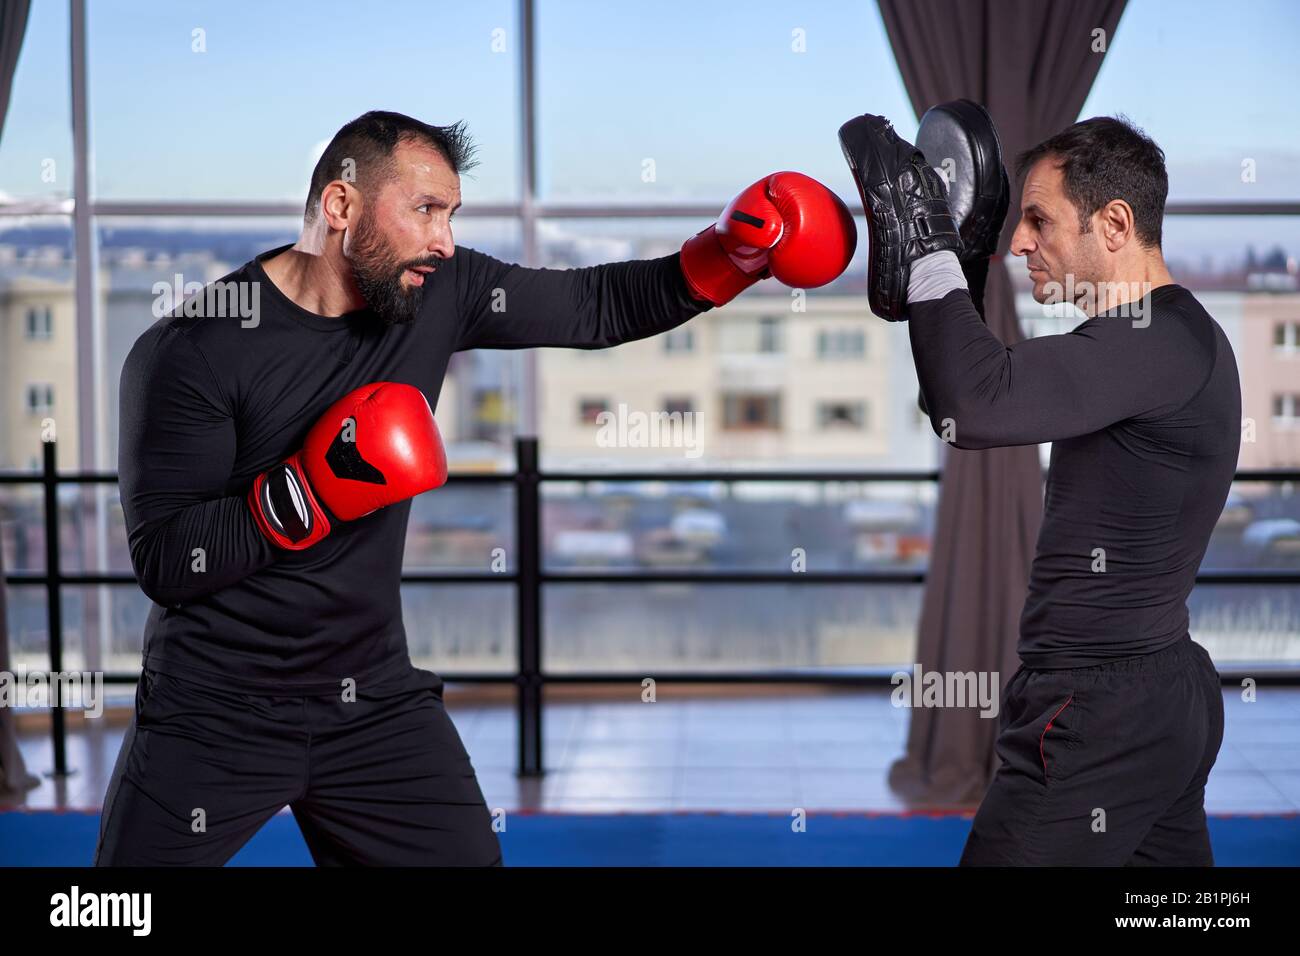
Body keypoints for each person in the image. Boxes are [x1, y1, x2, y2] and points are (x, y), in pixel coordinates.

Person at [97, 110, 856, 866]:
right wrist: (312, 490)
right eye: (425, 210)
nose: (445, 240)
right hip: (213, 711)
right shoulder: (192, 351)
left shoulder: (438, 291)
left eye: (452, 214)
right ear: (341, 207)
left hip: (372, 701)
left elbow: (595, 306)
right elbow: (167, 561)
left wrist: (728, 258)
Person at [840, 108, 1238, 865]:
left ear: (1114, 224)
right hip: (1152, 694)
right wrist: (945, 263)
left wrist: (923, 243)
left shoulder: (1157, 343)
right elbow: (956, 399)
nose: (1019, 242)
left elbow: (972, 403)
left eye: (1039, 220)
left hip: (1102, 715)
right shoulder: (1155, 340)